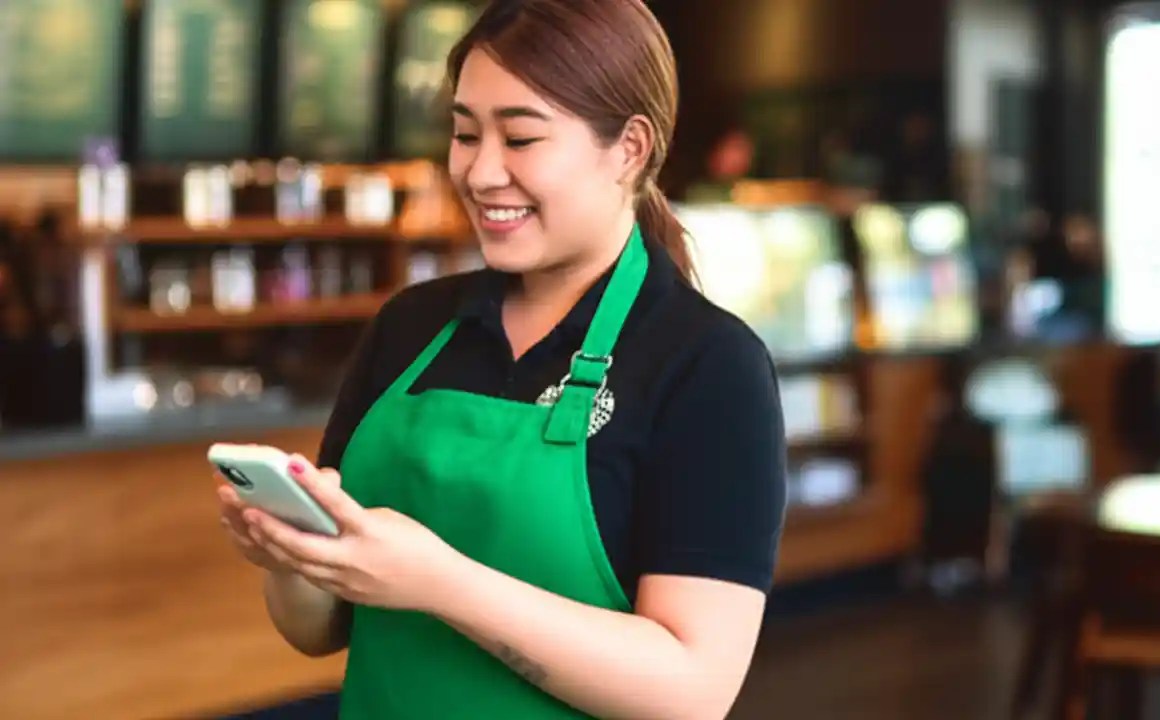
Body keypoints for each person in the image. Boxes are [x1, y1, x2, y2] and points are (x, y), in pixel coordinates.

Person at [215, 1, 788, 718]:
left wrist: (439, 582)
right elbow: (319, 631)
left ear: (630, 148)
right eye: (464, 133)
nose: (481, 173)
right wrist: (291, 558)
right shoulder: (411, 328)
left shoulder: (708, 366)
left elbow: (690, 690)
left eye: (520, 137)